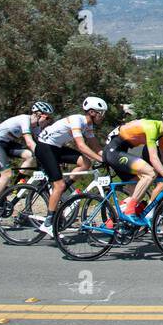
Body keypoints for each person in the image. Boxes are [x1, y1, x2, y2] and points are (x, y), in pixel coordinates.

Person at [35, 97, 108, 235]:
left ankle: (63, 189)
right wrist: (99, 159)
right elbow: (81, 145)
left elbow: (94, 145)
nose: (102, 116)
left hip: (56, 147)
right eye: (101, 113)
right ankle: (48, 222)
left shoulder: (88, 125)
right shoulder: (77, 120)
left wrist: (106, 158)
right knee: (59, 184)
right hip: (44, 147)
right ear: (92, 112)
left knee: (85, 163)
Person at [103, 108, 163, 226]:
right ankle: (129, 211)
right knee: (150, 173)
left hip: (120, 151)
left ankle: (112, 221)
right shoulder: (152, 127)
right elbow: (154, 158)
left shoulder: (162, 133)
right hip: (113, 151)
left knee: (139, 192)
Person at [0, 101, 53, 214]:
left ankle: (15, 187)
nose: (48, 121)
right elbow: (30, 143)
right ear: (38, 114)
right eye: (47, 117)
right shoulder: (24, 120)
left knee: (30, 156)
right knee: (7, 174)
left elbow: (42, 144)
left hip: (7, 144)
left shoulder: (36, 127)